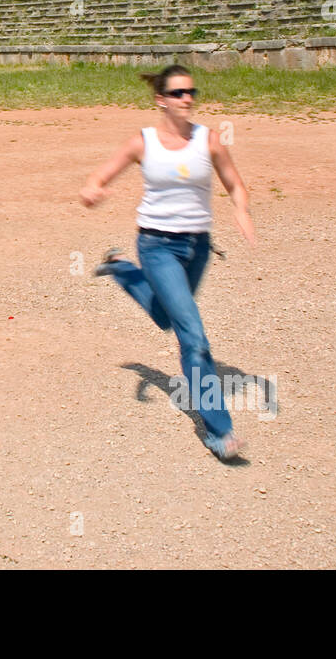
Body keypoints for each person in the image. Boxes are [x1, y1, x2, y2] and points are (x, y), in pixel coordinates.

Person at [80, 64, 256, 461]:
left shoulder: (208, 141)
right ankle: (220, 432)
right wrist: (92, 188)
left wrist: (241, 210)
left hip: (197, 247)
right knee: (193, 338)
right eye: (178, 93)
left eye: (191, 91)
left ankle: (120, 268)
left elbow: (235, 183)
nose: (187, 98)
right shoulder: (142, 143)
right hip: (157, 246)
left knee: (166, 316)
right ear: (160, 99)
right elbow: (101, 176)